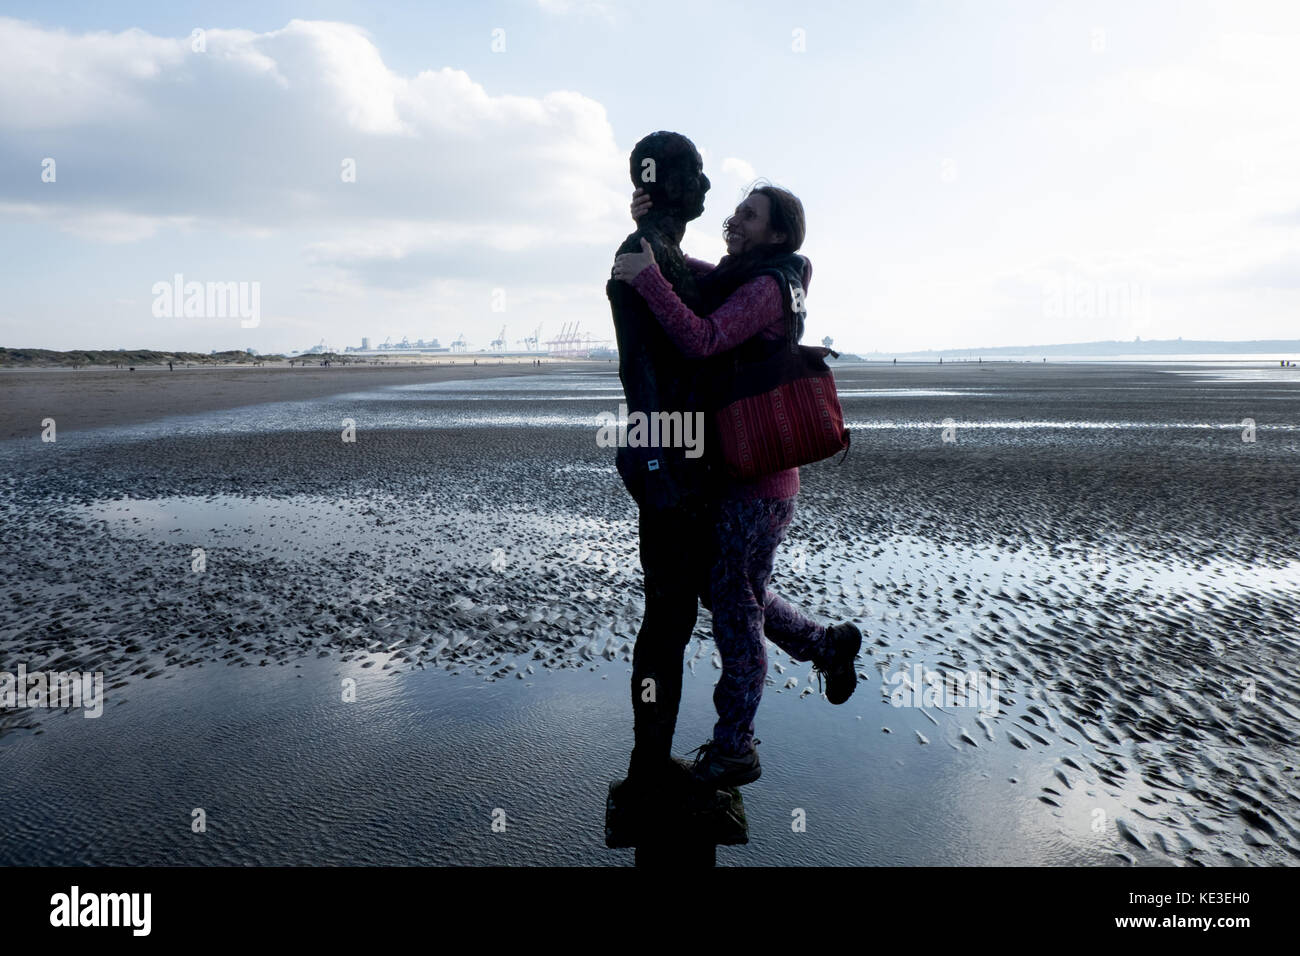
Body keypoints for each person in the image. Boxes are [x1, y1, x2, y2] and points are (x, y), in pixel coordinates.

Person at [614, 180, 861, 789]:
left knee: (735, 614)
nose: (736, 218)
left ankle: (735, 750)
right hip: (756, 478)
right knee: (738, 591)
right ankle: (826, 645)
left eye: (749, 215)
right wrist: (659, 242)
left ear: (777, 233)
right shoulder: (763, 275)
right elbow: (707, 281)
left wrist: (649, 278)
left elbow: (702, 339)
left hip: (757, 484)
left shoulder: (764, 289)